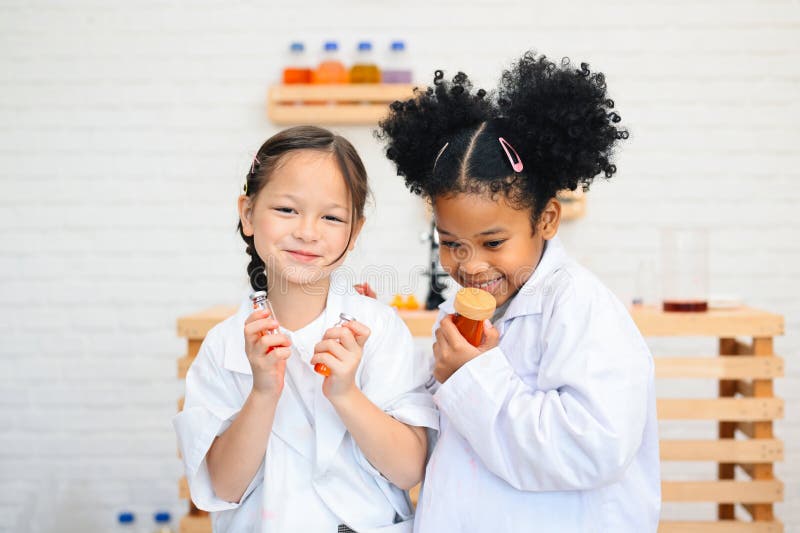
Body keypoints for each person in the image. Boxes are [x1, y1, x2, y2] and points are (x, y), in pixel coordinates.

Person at [377, 52, 660, 532]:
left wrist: (471, 375)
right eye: (450, 244)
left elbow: (594, 448)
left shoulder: (580, 307)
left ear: (546, 219)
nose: (469, 265)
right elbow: (438, 425)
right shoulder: (461, 310)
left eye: (493, 243)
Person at [174, 125, 437, 533]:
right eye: (287, 210)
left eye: (332, 217)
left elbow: (408, 470)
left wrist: (347, 393)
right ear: (248, 214)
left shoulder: (379, 330)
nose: (308, 232)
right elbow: (224, 486)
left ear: (355, 234)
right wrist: (263, 391)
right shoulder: (223, 345)